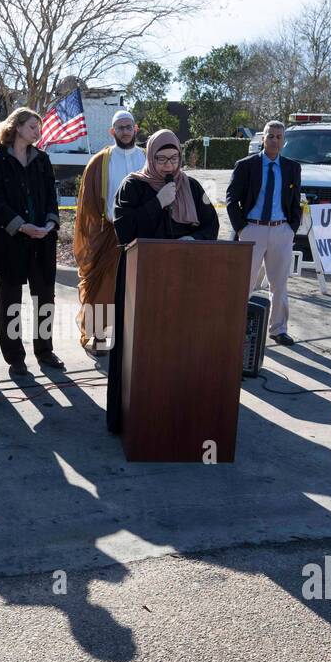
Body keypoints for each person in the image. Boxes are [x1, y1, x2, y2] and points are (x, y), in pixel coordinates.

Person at [105, 129, 219, 434]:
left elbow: (212, 225)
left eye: (174, 158)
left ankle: (174, 413)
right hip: (141, 278)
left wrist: (192, 238)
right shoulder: (132, 185)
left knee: (178, 345)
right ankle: (132, 417)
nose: (169, 165)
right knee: (140, 346)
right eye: (161, 158)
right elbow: (124, 231)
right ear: (150, 156)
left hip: (183, 279)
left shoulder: (193, 186)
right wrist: (157, 202)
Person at [0, 107, 64, 376]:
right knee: (11, 302)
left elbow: (52, 195)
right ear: (16, 127)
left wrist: (50, 223)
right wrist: (21, 226)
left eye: (38, 127)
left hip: (42, 241)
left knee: (44, 298)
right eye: (32, 126)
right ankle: (15, 357)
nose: (37, 132)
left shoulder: (42, 159)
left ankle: (45, 350)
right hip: (10, 242)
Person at [225, 119, 302, 346]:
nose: (275, 140)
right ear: (263, 138)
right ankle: (234, 326)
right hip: (252, 230)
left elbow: (295, 201)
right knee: (244, 282)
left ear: (284, 141)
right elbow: (231, 199)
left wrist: (291, 228)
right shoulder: (246, 165)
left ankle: (278, 329)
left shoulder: (292, 168)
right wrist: (242, 228)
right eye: (271, 136)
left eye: (279, 137)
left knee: (279, 284)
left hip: (281, 231)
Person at [73, 110, 144, 355]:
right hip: (108, 234)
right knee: (103, 287)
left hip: (141, 235)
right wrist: (96, 233)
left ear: (136, 129)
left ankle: (132, 339)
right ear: (112, 131)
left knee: (137, 288)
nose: (125, 131)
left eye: (129, 127)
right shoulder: (100, 161)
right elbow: (88, 203)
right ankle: (99, 337)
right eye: (120, 127)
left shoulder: (147, 157)